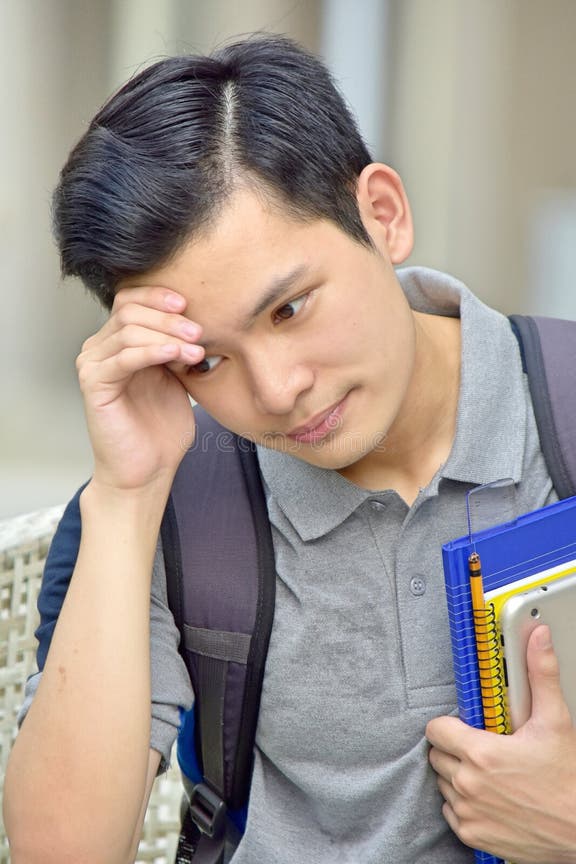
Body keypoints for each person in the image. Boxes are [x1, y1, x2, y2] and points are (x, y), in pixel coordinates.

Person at [4, 33, 576, 864]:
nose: (276, 391)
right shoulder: (167, 500)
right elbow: (62, 853)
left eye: (291, 309)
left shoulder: (559, 403)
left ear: (383, 215)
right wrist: (127, 501)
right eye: (206, 359)